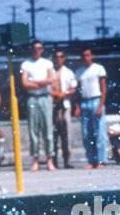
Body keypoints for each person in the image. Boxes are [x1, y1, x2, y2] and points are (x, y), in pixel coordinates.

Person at [20, 40, 56, 171]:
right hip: (32, 99)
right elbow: (24, 83)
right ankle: (35, 159)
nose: (37, 50)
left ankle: (49, 159)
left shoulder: (47, 63)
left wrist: (34, 82)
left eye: (40, 48)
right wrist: (42, 83)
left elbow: (51, 80)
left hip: (45, 98)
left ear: (42, 49)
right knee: (33, 130)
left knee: (48, 130)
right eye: (35, 48)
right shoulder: (26, 64)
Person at [74, 46, 108, 169]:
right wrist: (77, 107)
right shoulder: (78, 72)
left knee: (99, 132)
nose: (86, 58)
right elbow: (77, 91)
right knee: (87, 133)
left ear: (92, 56)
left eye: (88, 55)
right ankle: (91, 160)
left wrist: (100, 106)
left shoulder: (99, 69)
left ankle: (101, 160)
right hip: (84, 103)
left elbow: (103, 89)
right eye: (84, 56)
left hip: (96, 101)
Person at [51, 48, 78, 168]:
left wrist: (64, 93)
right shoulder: (50, 72)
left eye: (60, 57)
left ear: (64, 58)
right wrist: (54, 94)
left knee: (66, 135)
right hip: (52, 107)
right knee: (53, 135)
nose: (58, 59)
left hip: (65, 106)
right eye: (56, 57)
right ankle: (53, 160)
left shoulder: (69, 72)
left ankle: (67, 160)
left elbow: (73, 88)